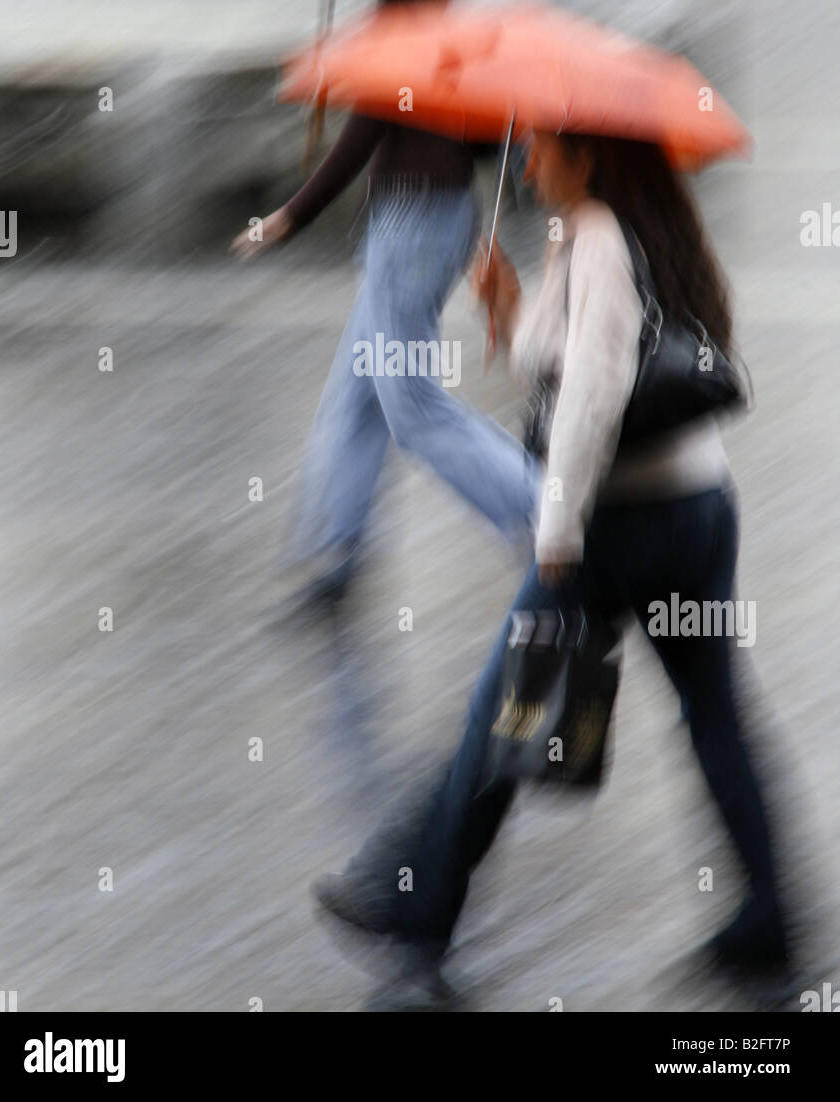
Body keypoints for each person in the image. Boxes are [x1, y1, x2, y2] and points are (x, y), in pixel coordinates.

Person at [313, 128, 792, 1006]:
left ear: (589, 157)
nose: (525, 168)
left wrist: (558, 529)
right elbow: (574, 356)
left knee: (502, 715)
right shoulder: (621, 230)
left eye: (541, 152)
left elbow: (596, 392)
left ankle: (417, 922)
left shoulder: (603, 237)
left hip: (617, 528)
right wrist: (510, 298)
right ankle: (770, 920)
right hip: (698, 512)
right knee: (713, 713)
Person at [232, 0, 540, 609]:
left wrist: (290, 216)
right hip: (440, 222)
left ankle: (548, 516)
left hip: (409, 231)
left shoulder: (398, 38)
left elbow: (360, 139)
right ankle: (337, 555)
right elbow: (489, 140)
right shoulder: (457, 39)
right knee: (357, 393)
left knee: (414, 408)